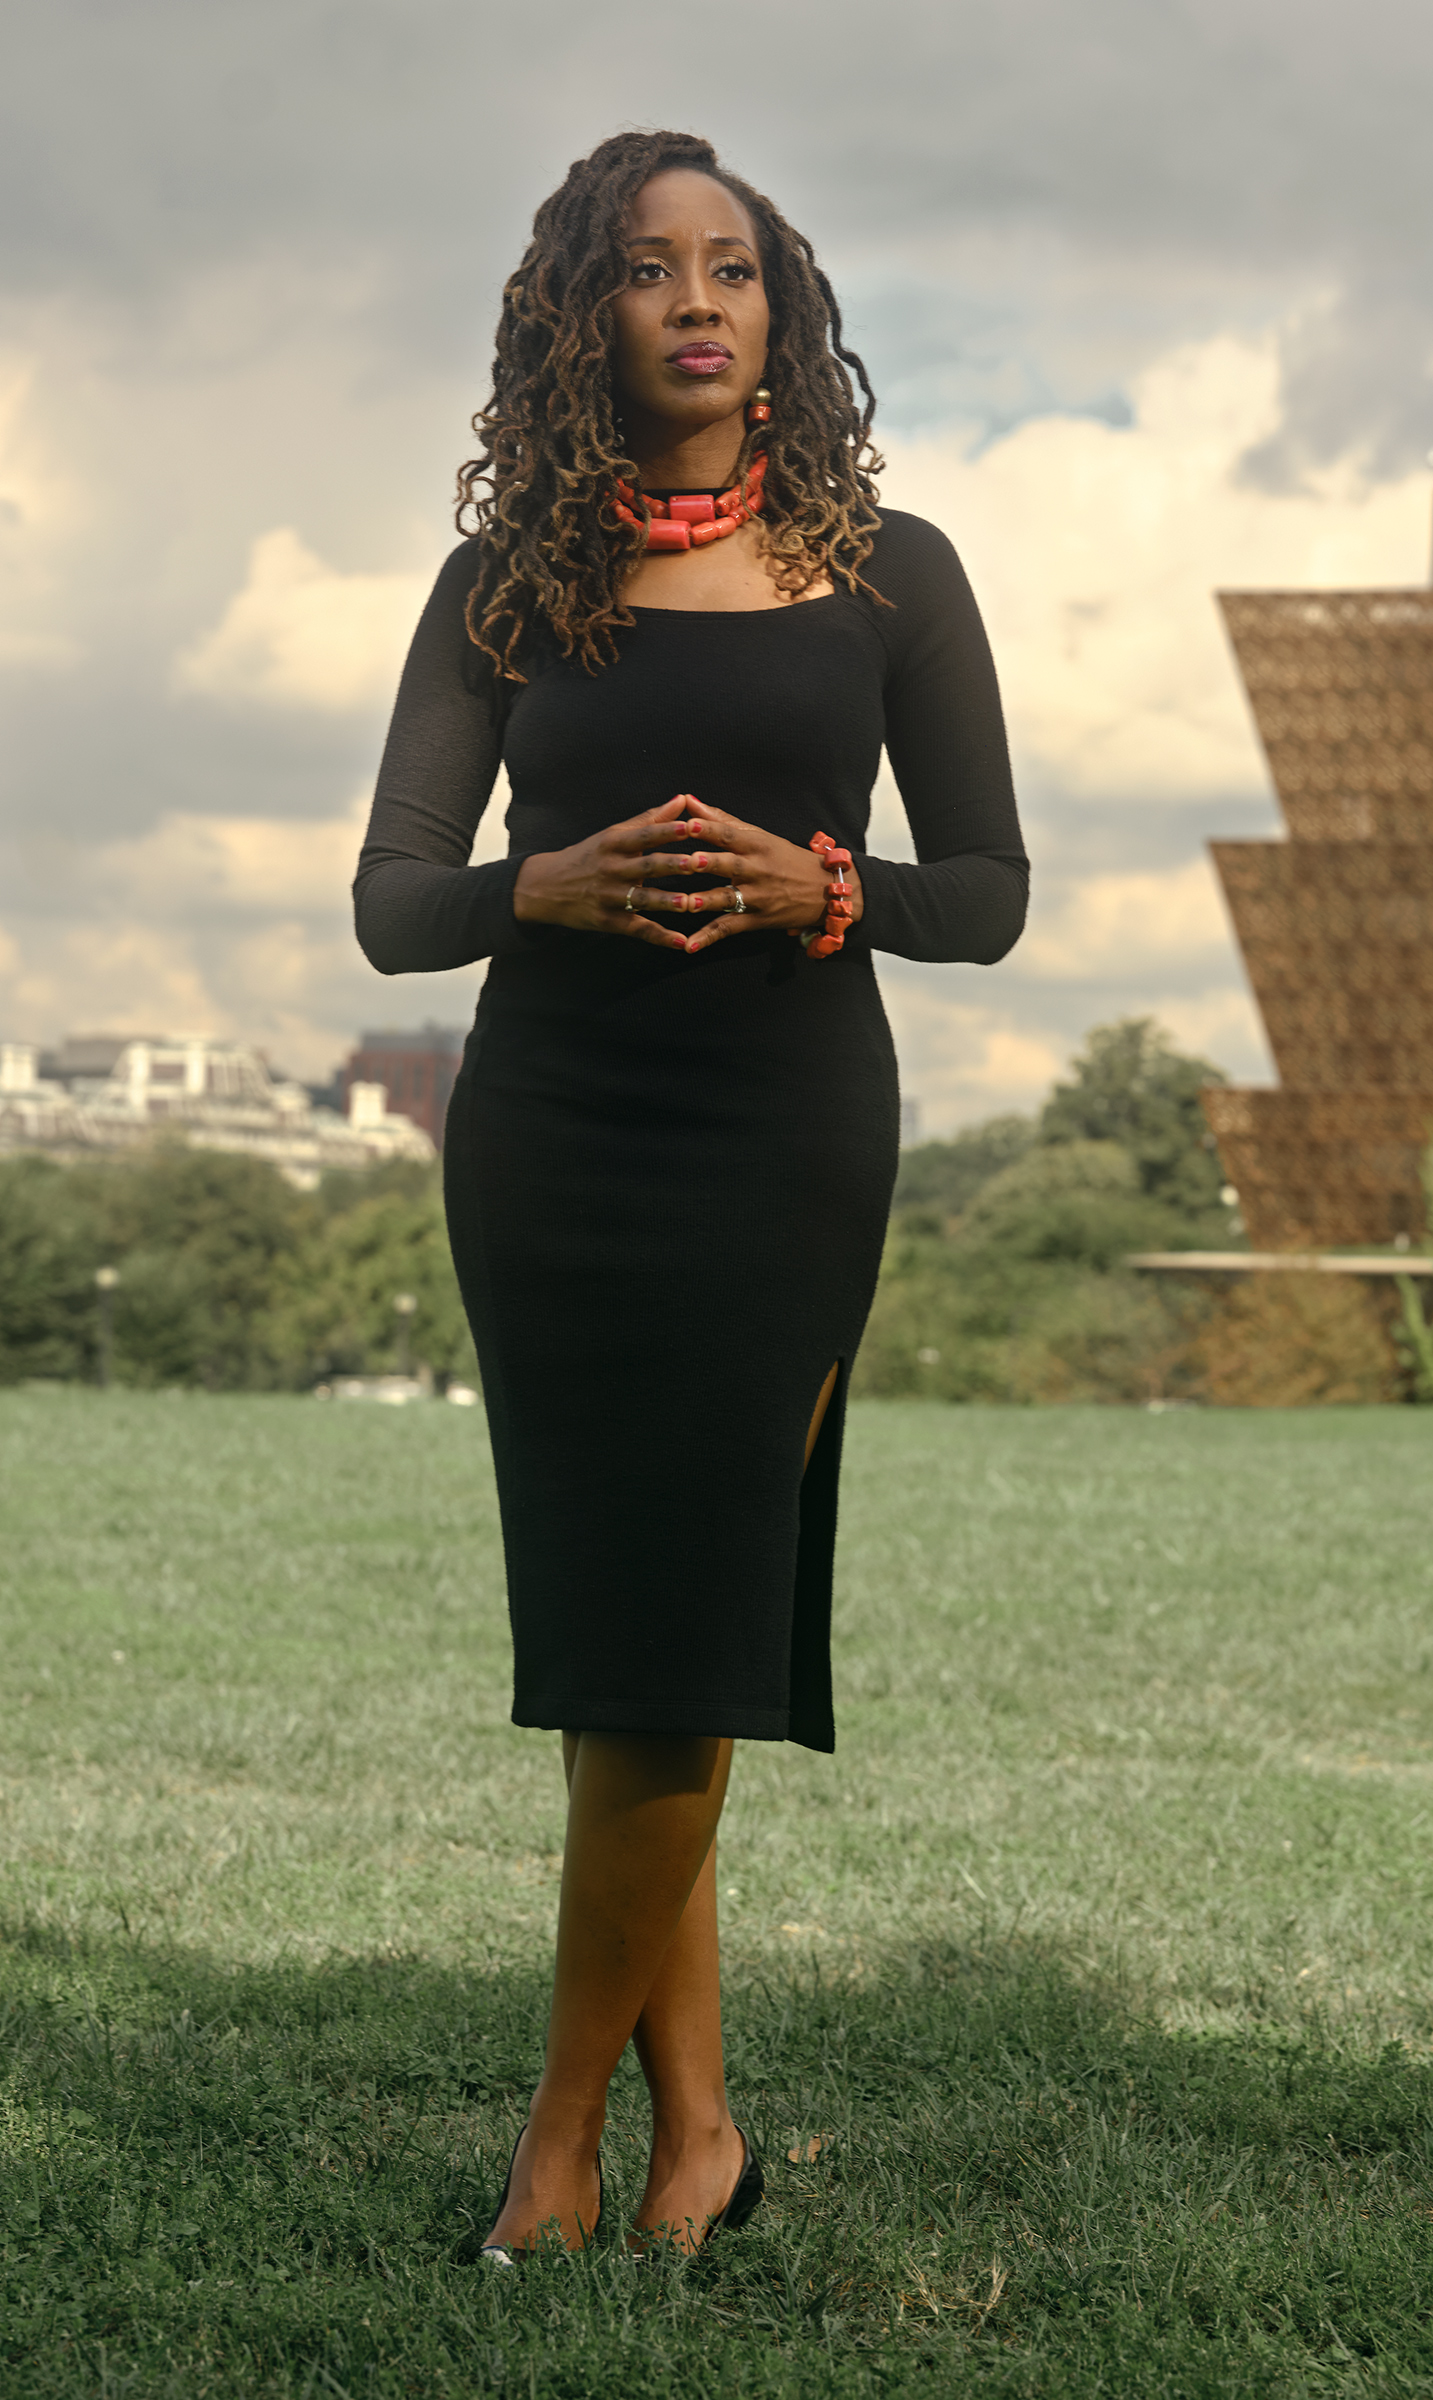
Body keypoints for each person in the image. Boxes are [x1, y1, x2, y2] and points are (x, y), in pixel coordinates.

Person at [354, 128, 1028, 2262]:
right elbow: (390, 911)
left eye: (734, 267)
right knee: (631, 1641)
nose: (700, 301)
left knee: (681, 1631)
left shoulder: (894, 568)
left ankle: (556, 2146)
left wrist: (827, 883)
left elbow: (989, 896)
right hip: (552, 1142)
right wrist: (531, 887)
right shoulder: (499, 590)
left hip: (782, 1144)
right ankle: (694, 2141)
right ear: (588, 316)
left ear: (784, 312)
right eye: (651, 271)